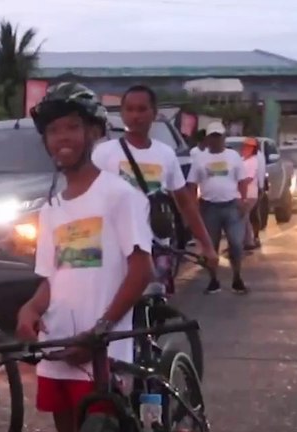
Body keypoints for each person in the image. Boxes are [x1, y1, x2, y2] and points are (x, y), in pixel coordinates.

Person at [14, 82, 154, 432]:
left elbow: (141, 269)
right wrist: (31, 308)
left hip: (102, 347)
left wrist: (101, 330)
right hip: (59, 347)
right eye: (53, 130)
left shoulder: (119, 195)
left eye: (72, 126)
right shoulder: (52, 209)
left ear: (94, 131)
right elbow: (51, 278)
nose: (62, 138)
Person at [90, 84, 217, 274]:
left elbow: (186, 204)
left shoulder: (165, 154)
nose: (136, 116)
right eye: (130, 109)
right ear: (122, 113)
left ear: (154, 113)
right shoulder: (103, 153)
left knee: (156, 301)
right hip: (116, 250)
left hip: (157, 249)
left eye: (142, 109)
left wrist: (207, 245)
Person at [188, 121, 253, 295]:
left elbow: (242, 181)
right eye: (213, 137)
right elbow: (192, 185)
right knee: (211, 246)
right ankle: (213, 280)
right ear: (208, 139)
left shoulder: (233, 156)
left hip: (231, 205)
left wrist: (243, 200)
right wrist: (193, 207)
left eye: (219, 136)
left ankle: (237, 278)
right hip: (209, 207)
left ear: (224, 138)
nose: (216, 140)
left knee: (236, 244)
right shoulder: (200, 159)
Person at [239, 136, 263, 251]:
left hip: (250, 194)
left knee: (242, 216)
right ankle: (248, 241)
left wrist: (237, 184)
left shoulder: (253, 161)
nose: (245, 149)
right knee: (244, 217)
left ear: (253, 149)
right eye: (245, 146)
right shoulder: (242, 160)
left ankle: (246, 241)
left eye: (249, 147)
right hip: (242, 193)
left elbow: (248, 178)